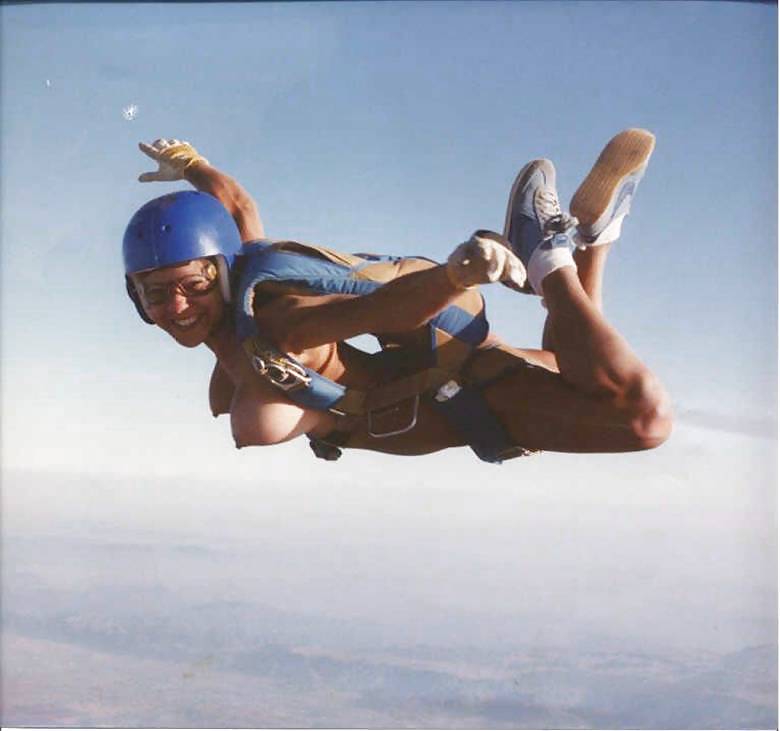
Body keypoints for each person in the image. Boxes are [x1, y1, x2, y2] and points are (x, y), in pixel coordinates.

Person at [123, 130, 672, 463]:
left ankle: (546, 254)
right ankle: (596, 239)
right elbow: (239, 206)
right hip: (449, 379)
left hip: (463, 401)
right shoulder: (239, 288)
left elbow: (375, 310)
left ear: (220, 273)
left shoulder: (278, 323)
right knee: (575, 360)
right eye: (155, 292)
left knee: (642, 420)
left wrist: (456, 276)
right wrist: (192, 164)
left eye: (193, 286)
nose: (177, 307)